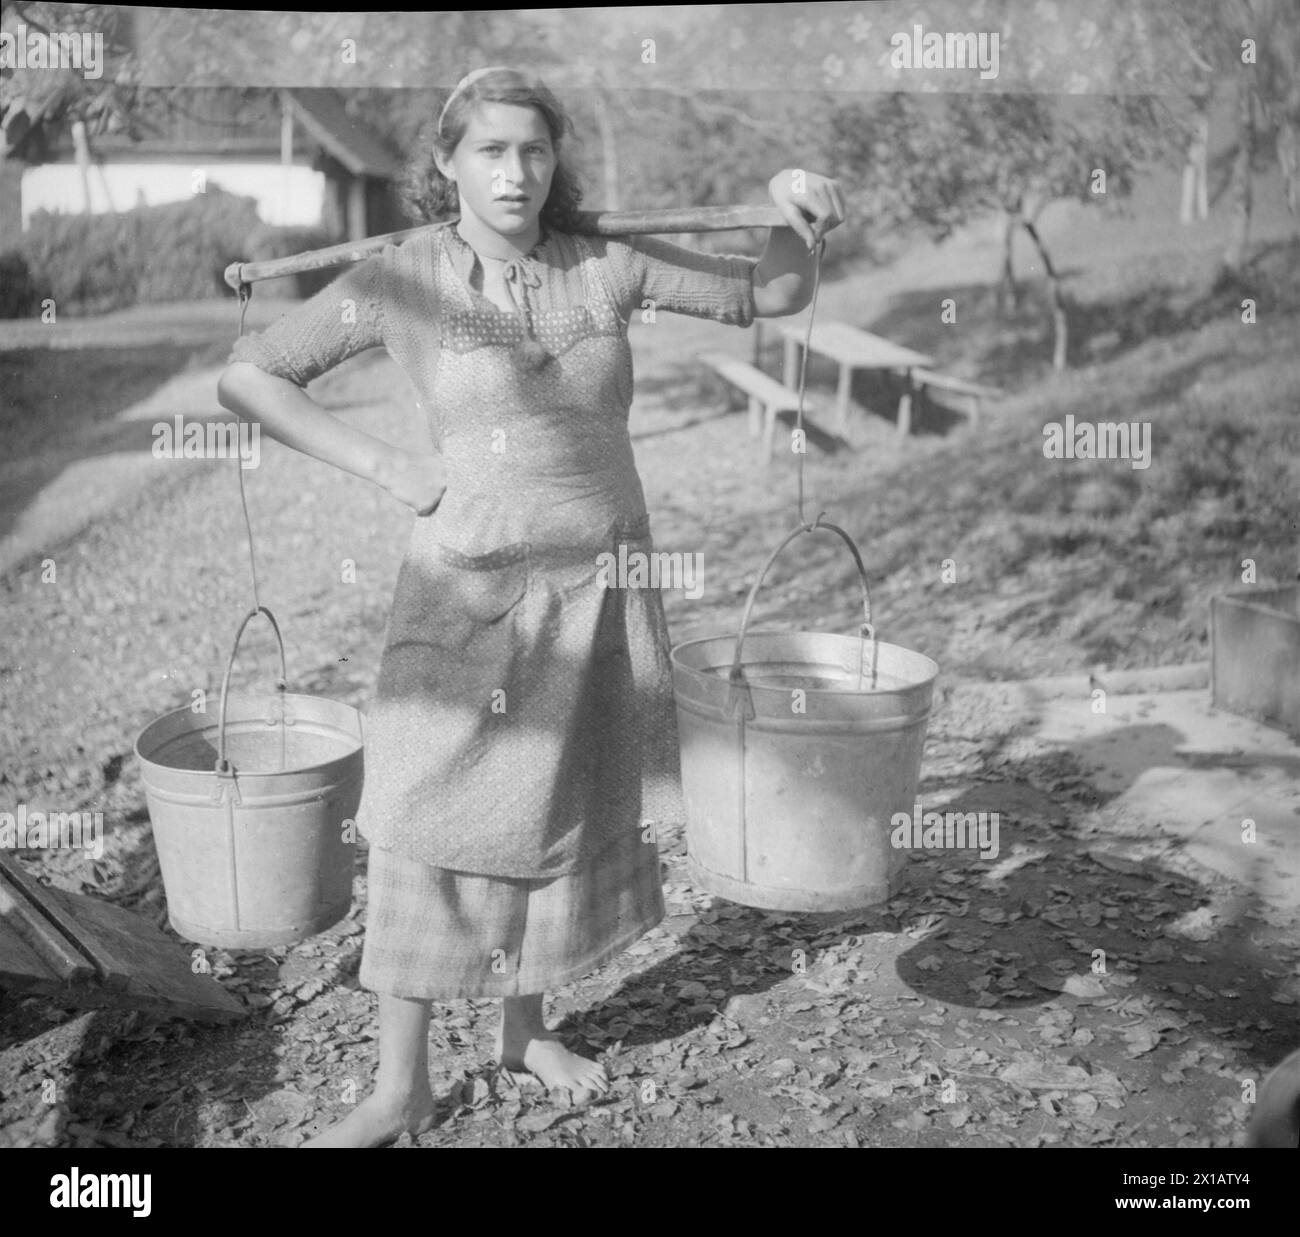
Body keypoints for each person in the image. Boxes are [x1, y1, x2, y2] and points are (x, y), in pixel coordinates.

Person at [217, 65, 845, 1148]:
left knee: (560, 801)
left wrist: (798, 210)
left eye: (535, 151)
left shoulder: (607, 266)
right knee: (421, 814)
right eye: (491, 151)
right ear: (448, 164)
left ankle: (523, 1029)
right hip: (463, 594)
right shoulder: (404, 275)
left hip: (597, 591)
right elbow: (251, 374)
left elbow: (774, 294)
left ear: (557, 165)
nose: (515, 171)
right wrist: (382, 463)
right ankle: (398, 1086)